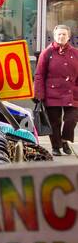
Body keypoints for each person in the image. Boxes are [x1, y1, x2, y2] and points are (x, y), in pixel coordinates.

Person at [35, 24, 78, 156]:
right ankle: (56, 147)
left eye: (64, 34)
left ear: (68, 37)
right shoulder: (47, 53)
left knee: (72, 118)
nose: (61, 36)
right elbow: (39, 75)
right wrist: (38, 94)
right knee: (54, 122)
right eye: (59, 34)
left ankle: (64, 140)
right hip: (51, 93)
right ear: (54, 36)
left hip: (72, 93)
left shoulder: (75, 53)